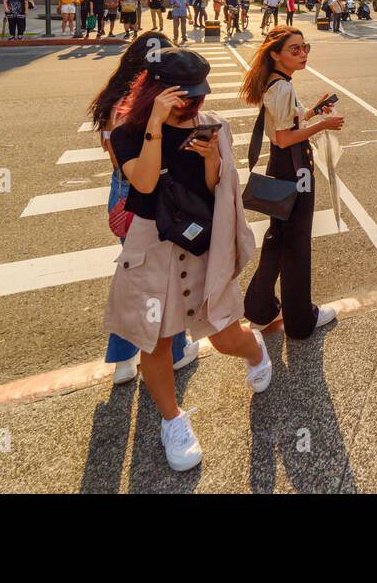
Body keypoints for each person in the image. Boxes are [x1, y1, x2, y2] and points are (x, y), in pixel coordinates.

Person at [107, 48, 271, 471]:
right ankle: (173, 420)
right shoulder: (128, 131)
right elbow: (142, 182)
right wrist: (157, 126)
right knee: (155, 339)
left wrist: (213, 158)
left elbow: (218, 188)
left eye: (195, 98)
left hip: (202, 244)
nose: (190, 107)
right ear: (156, 92)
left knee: (223, 335)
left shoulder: (213, 125)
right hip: (152, 243)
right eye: (181, 98)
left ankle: (255, 350)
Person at [89, 31, 195, 385]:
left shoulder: (112, 102)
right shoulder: (149, 105)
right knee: (167, 278)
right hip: (149, 196)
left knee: (133, 279)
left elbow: (115, 158)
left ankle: (122, 362)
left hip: (120, 194)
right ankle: (176, 351)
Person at [240, 26, 344, 339]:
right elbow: (285, 138)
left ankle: (260, 310)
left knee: (278, 239)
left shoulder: (276, 82)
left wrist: (313, 111)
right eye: (294, 50)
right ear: (275, 55)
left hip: (283, 165)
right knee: (296, 245)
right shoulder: (281, 87)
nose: (303, 54)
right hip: (295, 167)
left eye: (305, 47)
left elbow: (287, 123)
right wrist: (324, 123)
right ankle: (300, 321)